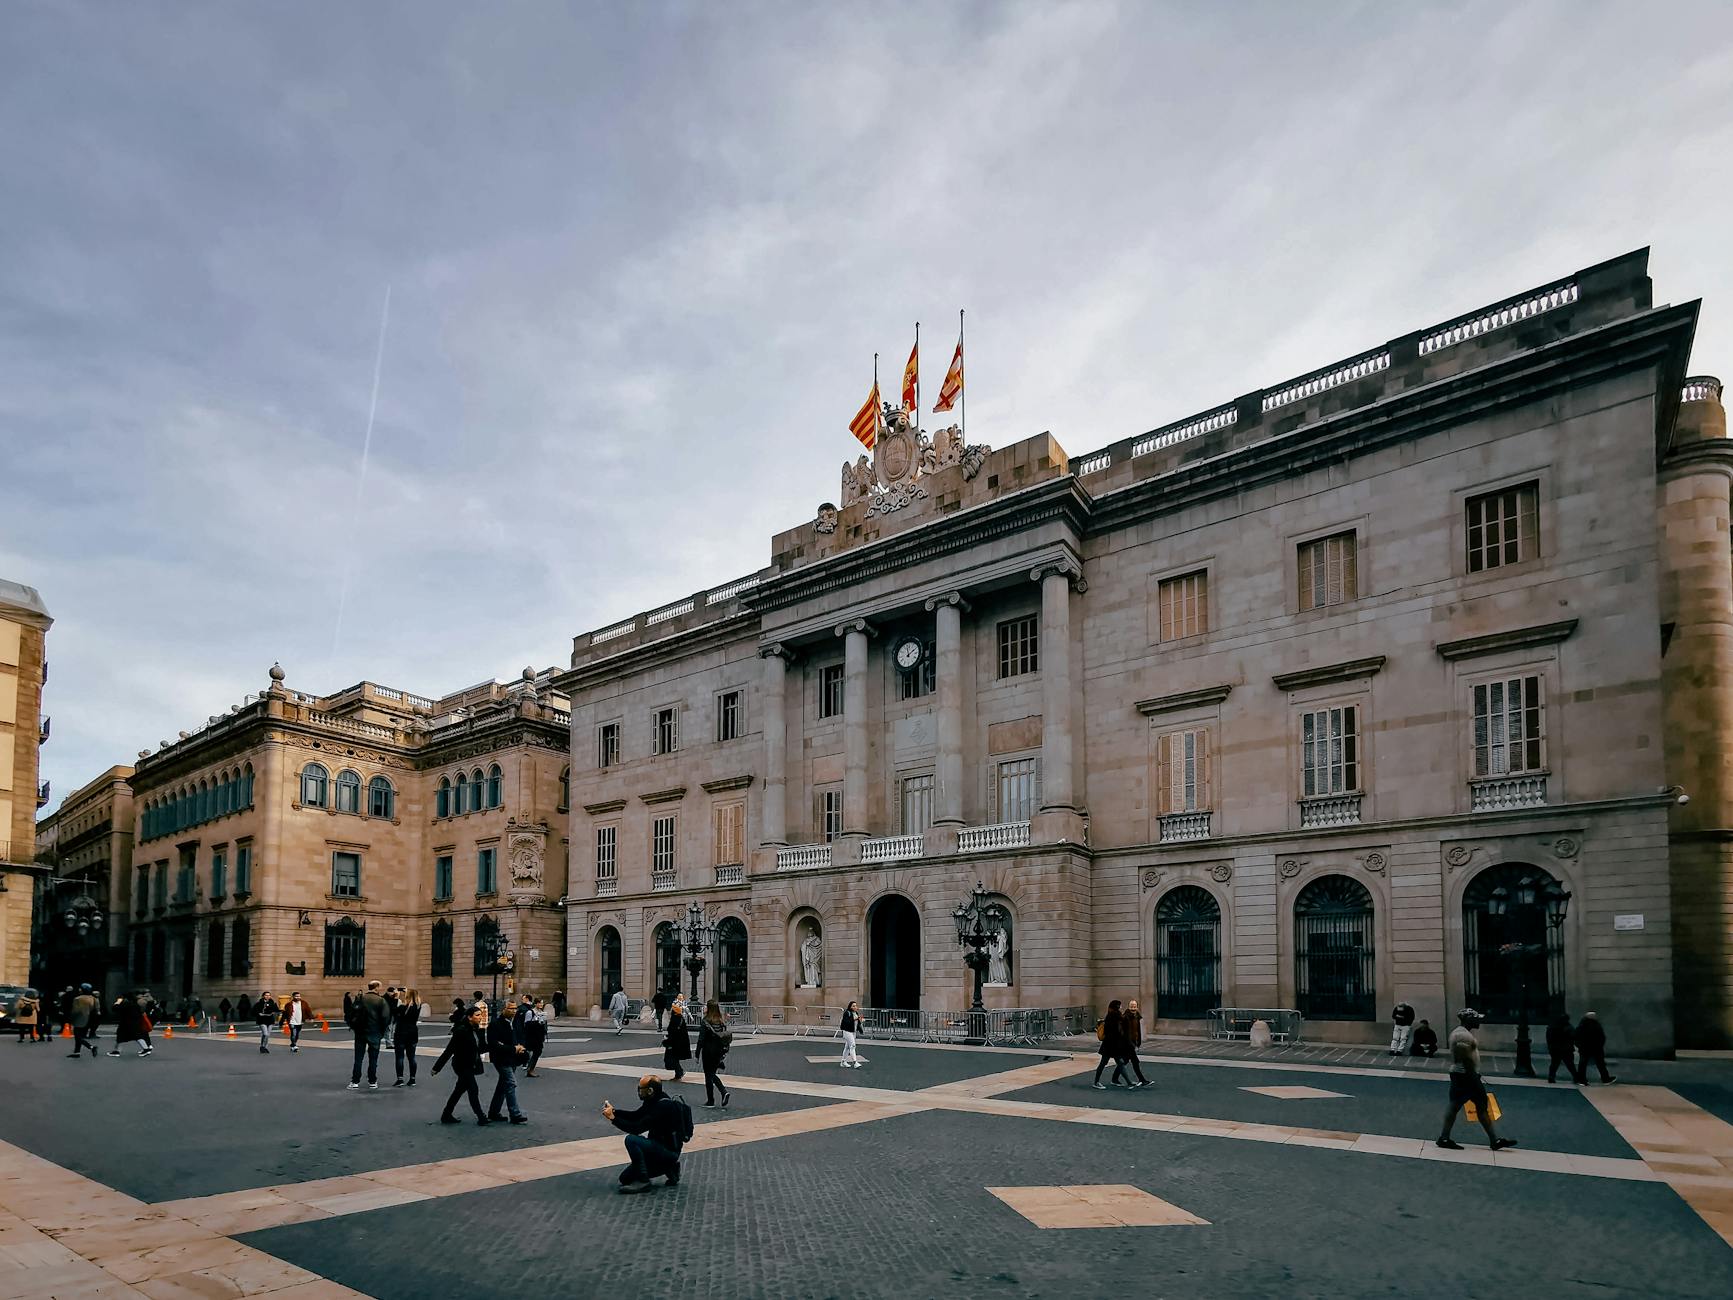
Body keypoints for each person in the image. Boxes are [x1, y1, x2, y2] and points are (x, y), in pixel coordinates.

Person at [1437, 1008, 1517, 1151]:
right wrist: (1473, 1076)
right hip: (1465, 1076)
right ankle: (1444, 1138)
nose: (1479, 1020)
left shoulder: (1463, 1033)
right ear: (1468, 1020)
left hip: (1465, 1075)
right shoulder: (1462, 1036)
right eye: (1476, 1018)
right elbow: (1464, 1057)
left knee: (1478, 1106)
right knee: (1457, 1105)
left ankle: (1494, 1140)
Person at [604, 1074, 687, 1192]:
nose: (639, 1092)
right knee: (625, 1178)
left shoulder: (663, 1106)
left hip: (668, 1151)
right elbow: (636, 1115)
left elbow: (636, 1128)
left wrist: (613, 1119)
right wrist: (614, 1112)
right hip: (658, 1149)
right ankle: (670, 1168)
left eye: (641, 1090)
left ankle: (643, 1181)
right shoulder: (654, 1100)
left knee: (631, 1140)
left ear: (650, 1091)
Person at [432, 1003, 490, 1125]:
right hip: (461, 1065)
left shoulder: (478, 1030)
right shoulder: (461, 1030)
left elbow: (481, 1048)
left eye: (481, 1015)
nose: (480, 1017)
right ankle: (481, 1117)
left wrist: (497, 1046)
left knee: (459, 1090)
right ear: (469, 1017)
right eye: (477, 1015)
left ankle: (446, 1114)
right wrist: (437, 1068)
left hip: (471, 1064)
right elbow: (449, 1050)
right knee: (473, 1089)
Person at [486, 997, 529, 1123]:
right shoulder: (495, 1024)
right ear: (503, 1009)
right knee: (510, 1083)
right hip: (501, 1059)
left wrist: (521, 1047)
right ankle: (515, 1114)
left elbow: (519, 1037)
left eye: (515, 1008)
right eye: (511, 1008)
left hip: (513, 1058)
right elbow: (494, 1045)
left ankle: (493, 1112)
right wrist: (513, 1048)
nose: (514, 1011)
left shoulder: (514, 1022)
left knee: (502, 1085)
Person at [348, 980, 391, 1091]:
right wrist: (381, 1031)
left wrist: (354, 1027)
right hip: (375, 1032)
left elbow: (351, 1014)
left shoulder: (360, 998)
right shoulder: (381, 1001)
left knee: (358, 1058)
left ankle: (355, 1081)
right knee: (373, 1059)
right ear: (376, 988)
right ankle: (372, 1081)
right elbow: (386, 1018)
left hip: (360, 1032)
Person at [697, 999, 732, 1108]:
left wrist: (697, 1054)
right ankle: (721, 1093)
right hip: (719, 1051)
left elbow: (701, 1039)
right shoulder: (720, 1021)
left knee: (709, 1075)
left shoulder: (706, 1021)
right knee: (711, 1073)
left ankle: (712, 1099)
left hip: (708, 1051)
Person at [1092, 1000, 1129, 1089]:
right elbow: (1115, 1031)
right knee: (1105, 1063)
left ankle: (1122, 1081)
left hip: (1112, 1045)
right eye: (1120, 1005)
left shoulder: (1114, 1015)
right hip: (1110, 1045)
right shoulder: (1114, 1016)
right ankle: (1097, 1082)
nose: (1121, 1007)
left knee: (1119, 1062)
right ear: (1116, 1006)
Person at [1575, 1011, 1617, 1084]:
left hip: (1584, 1047)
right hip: (1596, 1048)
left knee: (1583, 1064)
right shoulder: (1596, 1025)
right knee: (1600, 1064)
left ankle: (1581, 1079)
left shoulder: (1581, 1026)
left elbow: (1576, 1037)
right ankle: (1605, 1078)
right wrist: (1600, 1045)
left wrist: (1579, 1045)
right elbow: (1601, 1037)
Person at [106, 992, 151, 1058]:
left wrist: (117, 1002)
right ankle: (146, 1049)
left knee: (120, 1037)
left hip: (126, 1024)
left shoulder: (126, 1004)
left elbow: (114, 1008)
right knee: (137, 1036)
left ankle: (117, 1052)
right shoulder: (135, 1004)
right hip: (135, 1023)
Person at [1118, 999, 1151, 1088]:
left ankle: (1114, 1078)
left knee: (1124, 1061)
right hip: (1128, 1044)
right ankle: (1142, 1080)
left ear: (1137, 1007)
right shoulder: (1126, 1017)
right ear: (1129, 1007)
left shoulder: (1137, 1017)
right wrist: (1132, 1044)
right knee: (1135, 1062)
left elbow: (1138, 1031)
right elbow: (1126, 1033)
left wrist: (1138, 1043)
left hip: (1133, 1042)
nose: (1133, 1008)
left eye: (1135, 1006)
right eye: (1132, 1006)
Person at [393, 988, 422, 1087]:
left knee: (400, 1057)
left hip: (401, 1033)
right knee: (412, 1057)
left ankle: (400, 1079)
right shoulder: (418, 1007)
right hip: (413, 1033)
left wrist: (396, 997)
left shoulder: (402, 1007)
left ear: (407, 996)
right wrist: (408, 991)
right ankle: (412, 1079)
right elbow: (414, 996)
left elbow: (393, 1011)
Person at [1546, 1013, 1582, 1084]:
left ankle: (1551, 1077)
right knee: (1570, 1064)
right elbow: (1574, 1036)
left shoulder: (1552, 1027)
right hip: (1566, 1048)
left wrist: (1550, 1046)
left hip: (1555, 1048)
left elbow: (1549, 1038)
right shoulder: (1568, 1027)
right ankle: (1576, 1077)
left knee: (1554, 1064)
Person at [67, 984, 101, 1059]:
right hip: (89, 1020)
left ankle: (91, 1047)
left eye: (80, 988)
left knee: (78, 1037)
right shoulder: (93, 998)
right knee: (80, 1036)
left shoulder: (78, 999)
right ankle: (77, 1052)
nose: (79, 990)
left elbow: (75, 1011)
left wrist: (71, 1019)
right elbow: (97, 1009)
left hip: (79, 1019)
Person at [662, 996, 691, 1083]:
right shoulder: (681, 1018)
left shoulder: (675, 1019)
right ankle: (678, 1072)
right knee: (675, 1058)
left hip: (674, 1042)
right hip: (680, 1042)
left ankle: (679, 1072)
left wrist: (667, 1040)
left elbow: (672, 1031)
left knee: (671, 1058)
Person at [523, 999, 549, 1077]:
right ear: (535, 1004)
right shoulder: (530, 1012)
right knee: (533, 1051)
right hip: (532, 1035)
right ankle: (529, 1068)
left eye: (542, 1003)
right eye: (539, 1003)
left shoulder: (542, 1012)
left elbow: (544, 1024)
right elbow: (526, 1024)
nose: (541, 1004)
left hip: (539, 1035)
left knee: (538, 1051)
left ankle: (530, 1068)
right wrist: (537, 1021)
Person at [840, 1000, 862, 1068]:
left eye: (856, 1006)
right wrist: (854, 1019)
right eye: (853, 1006)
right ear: (850, 1007)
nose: (855, 1007)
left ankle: (843, 1061)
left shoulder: (856, 1013)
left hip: (853, 1032)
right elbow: (846, 1022)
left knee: (847, 1047)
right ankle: (855, 1062)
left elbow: (857, 1023)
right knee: (852, 1046)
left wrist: (860, 1023)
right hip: (847, 1031)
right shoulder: (847, 1013)